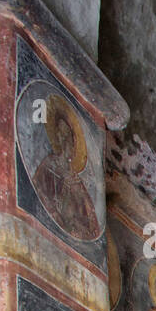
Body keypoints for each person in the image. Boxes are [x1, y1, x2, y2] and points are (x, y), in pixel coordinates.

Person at [31, 94, 100, 240]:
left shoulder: (76, 180)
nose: (64, 139)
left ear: (73, 140)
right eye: (61, 133)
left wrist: (77, 193)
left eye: (67, 135)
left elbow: (92, 225)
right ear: (56, 136)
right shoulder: (48, 165)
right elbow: (37, 193)